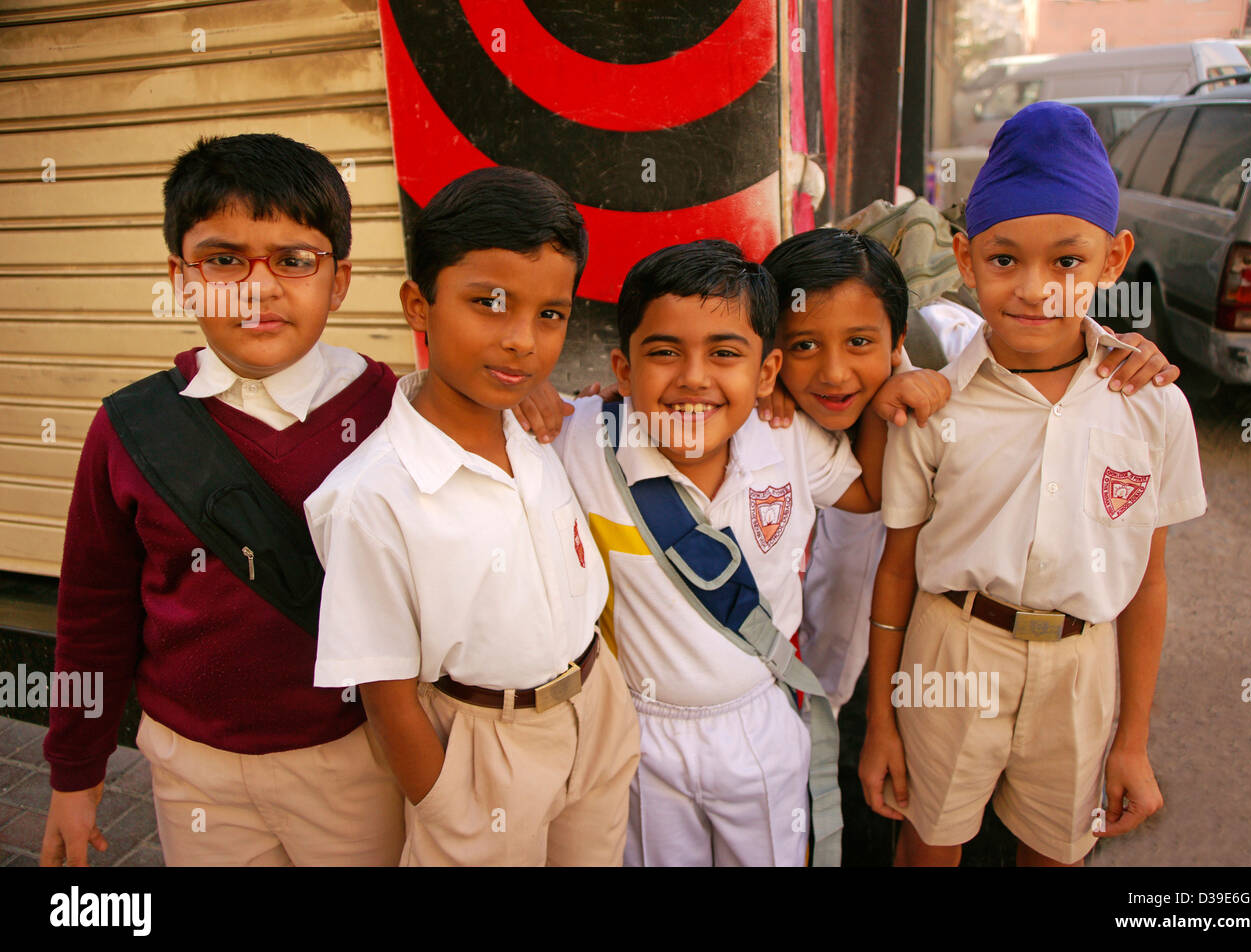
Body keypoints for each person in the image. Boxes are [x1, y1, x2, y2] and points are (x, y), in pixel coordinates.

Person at [41, 133, 405, 866]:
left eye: (295, 260)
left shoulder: (395, 412)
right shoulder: (131, 429)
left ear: (338, 281)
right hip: (192, 770)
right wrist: (74, 776)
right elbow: (93, 612)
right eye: (224, 258)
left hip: (358, 758)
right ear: (181, 276)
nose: (259, 287)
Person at [859, 101, 1207, 866]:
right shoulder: (933, 403)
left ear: (1114, 260)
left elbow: (1148, 583)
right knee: (929, 845)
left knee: (1057, 852)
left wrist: (1133, 740)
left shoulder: (1151, 407)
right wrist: (883, 721)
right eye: (1004, 259)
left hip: (1084, 667)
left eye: (1069, 261)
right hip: (951, 651)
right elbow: (897, 569)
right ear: (964, 256)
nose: (1036, 289)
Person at [304, 166, 641, 867]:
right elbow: (385, 691)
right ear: (418, 305)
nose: (523, 339)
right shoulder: (375, 494)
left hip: (596, 706)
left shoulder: (538, 427)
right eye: (489, 303)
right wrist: (443, 801)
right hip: (485, 747)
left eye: (549, 313)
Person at [545, 239, 899, 866]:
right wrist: (525, 399)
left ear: (767, 374)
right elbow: (491, 420)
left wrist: (902, 380)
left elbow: (873, 491)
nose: (694, 378)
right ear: (623, 373)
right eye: (663, 353)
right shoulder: (580, 439)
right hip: (639, 733)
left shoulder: (789, 440)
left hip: (762, 719)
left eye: (725, 354)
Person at [760, 228, 1183, 710]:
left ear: (897, 343)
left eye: (858, 342)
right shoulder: (762, 417)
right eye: (802, 347)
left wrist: (1117, 350)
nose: (834, 372)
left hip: (924, 670)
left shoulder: (951, 371)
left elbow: (1052, 354)